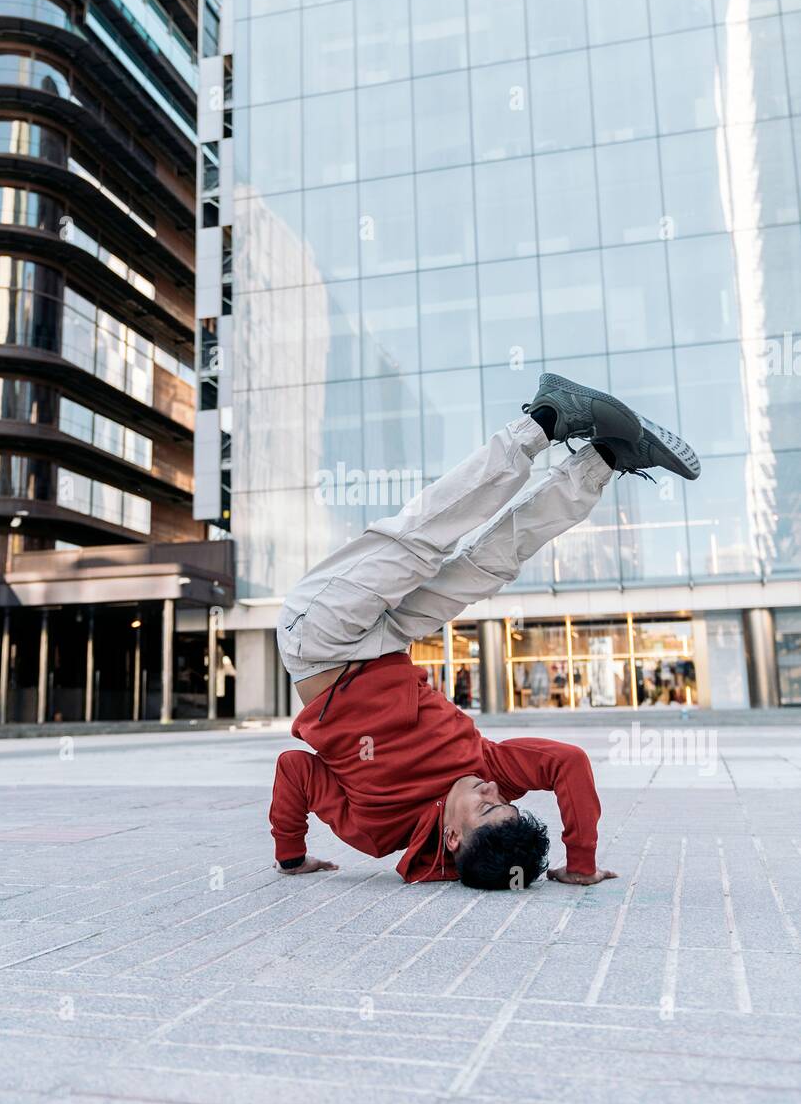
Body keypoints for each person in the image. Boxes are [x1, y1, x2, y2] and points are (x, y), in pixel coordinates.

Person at [271, 374, 700, 890]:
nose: (495, 791)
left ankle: (543, 421)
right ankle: (604, 458)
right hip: (388, 645)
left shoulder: (374, 828)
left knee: (419, 541)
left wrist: (291, 856)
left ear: (452, 838)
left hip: (318, 640)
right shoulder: (486, 768)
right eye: (506, 803)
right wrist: (581, 861)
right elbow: (569, 763)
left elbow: (295, 768)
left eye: (488, 807)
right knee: (490, 564)